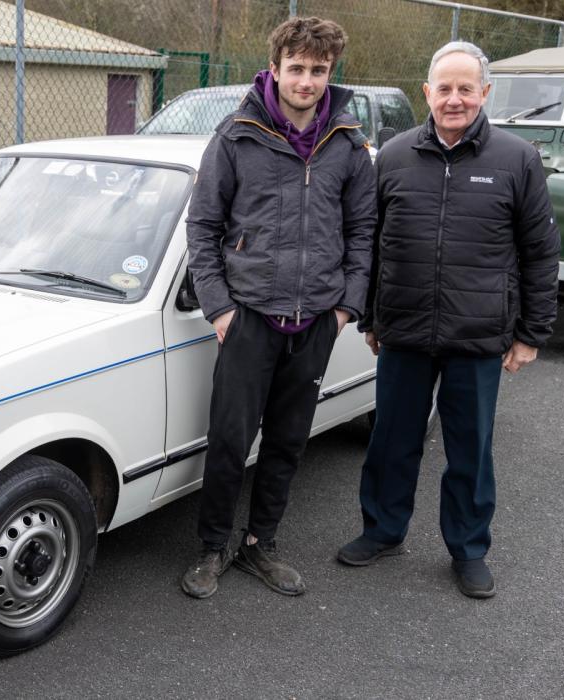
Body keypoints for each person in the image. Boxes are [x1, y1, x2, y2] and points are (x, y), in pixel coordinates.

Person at [337, 41, 560, 598]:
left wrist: (531, 333)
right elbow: (372, 243)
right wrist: (370, 316)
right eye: (445, 88)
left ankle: (468, 549)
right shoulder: (392, 155)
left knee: (470, 448)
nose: (454, 99)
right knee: (391, 441)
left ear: (485, 93)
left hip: (478, 334)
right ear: (426, 93)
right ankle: (384, 530)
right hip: (404, 330)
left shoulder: (516, 159)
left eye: (466, 89)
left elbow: (540, 250)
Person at [182, 16, 376, 599]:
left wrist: (344, 308)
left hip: (315, 320)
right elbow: (203, 225)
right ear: (276, 68)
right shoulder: (237, 135)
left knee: (289, 440)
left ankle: (259, 544)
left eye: (319, 70)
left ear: (330, 72)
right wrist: (219, 308)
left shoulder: (346, 143)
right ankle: (213, 547)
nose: (308, 81)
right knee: (229, 440)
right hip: (249, 317)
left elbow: (364, 230)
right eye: (297, 69)